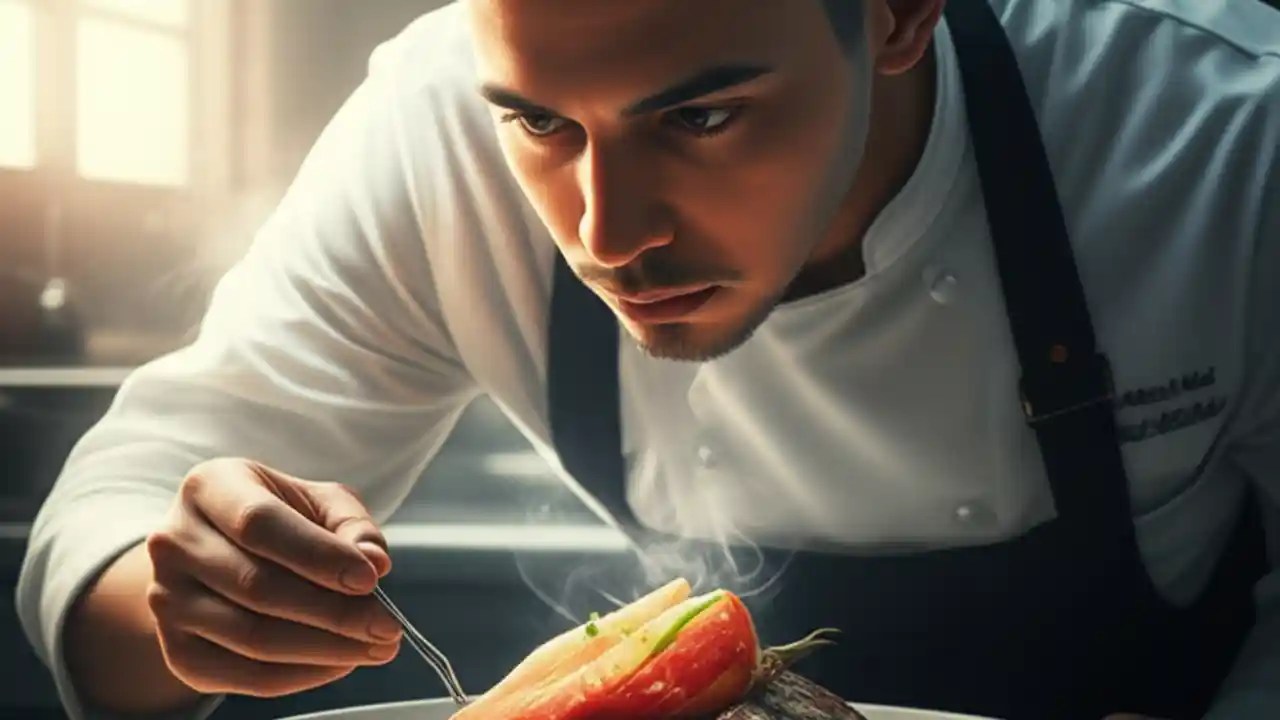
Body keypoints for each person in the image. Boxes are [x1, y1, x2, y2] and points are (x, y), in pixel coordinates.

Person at [16, 0, 1280, 718]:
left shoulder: (1225, 142)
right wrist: (190, 596)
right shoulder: (429, 132)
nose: (606, 235)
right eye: (539, 124)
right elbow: (136, 490)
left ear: (894, 14)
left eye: (701, 116)